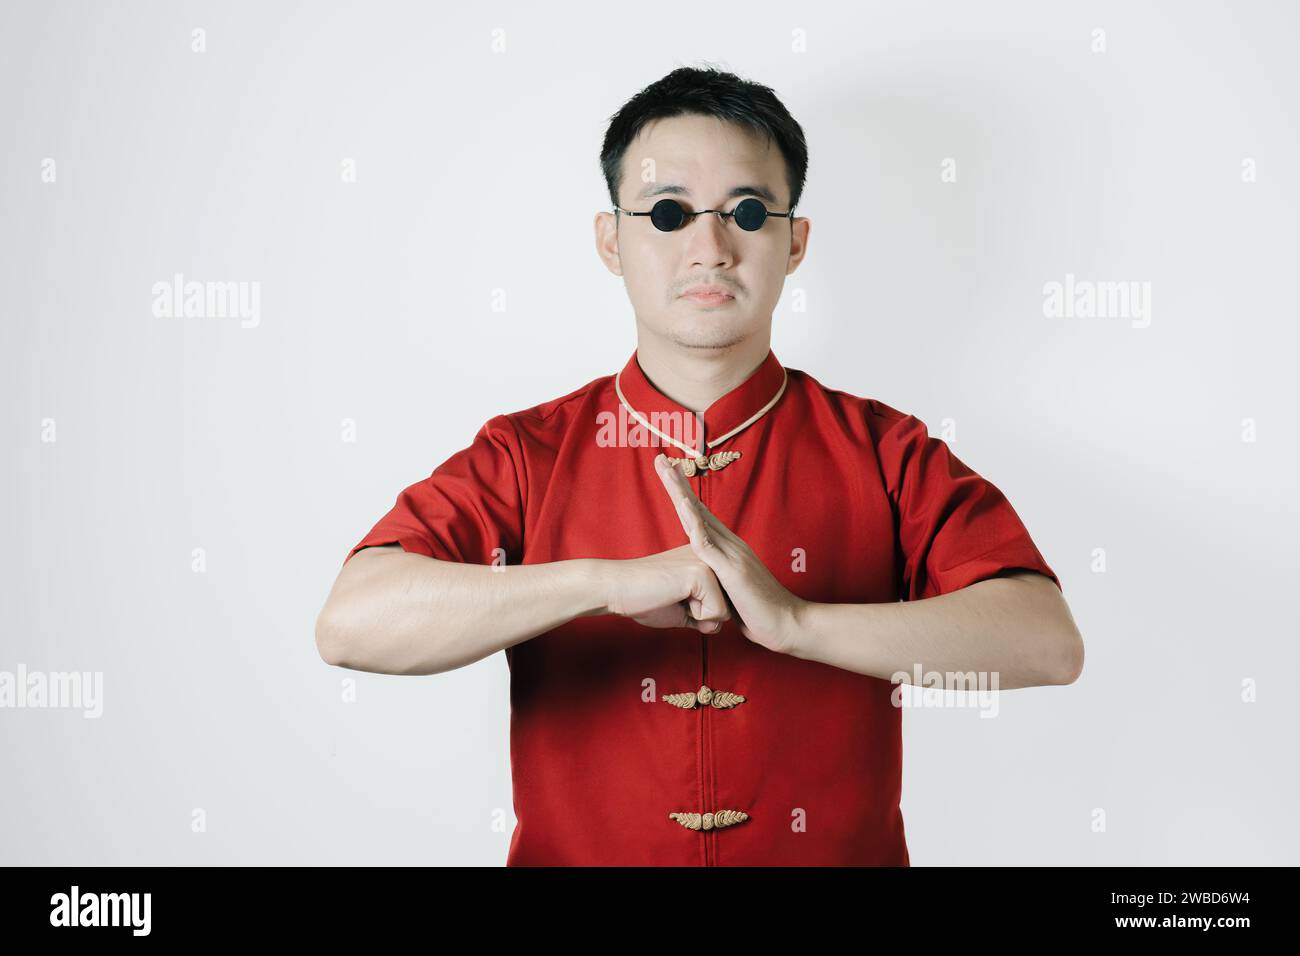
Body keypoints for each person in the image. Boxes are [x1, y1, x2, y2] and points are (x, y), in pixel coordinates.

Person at [315, 65, 1084, 866]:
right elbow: (352, 624)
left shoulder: (885, 450)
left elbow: (1047, 644)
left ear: (795, 242)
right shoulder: (526, 453)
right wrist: (602, 586)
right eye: (670, 212)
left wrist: (797, 623)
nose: (709, 248)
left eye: (748, 212)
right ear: (612, 241)